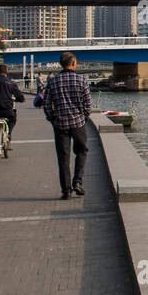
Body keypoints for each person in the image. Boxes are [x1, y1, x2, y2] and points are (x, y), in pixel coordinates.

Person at [42, 51, 92, 199]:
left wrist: (52, 119)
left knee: (63, 157)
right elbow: (87, 104)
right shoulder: (81, 80)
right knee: (81, 152)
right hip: (78, 123)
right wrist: (84, 116)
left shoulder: (53, 81)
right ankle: (78, 182)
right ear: (73, 63)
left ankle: (66, 190)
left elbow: (46, 103)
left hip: (60, 125)